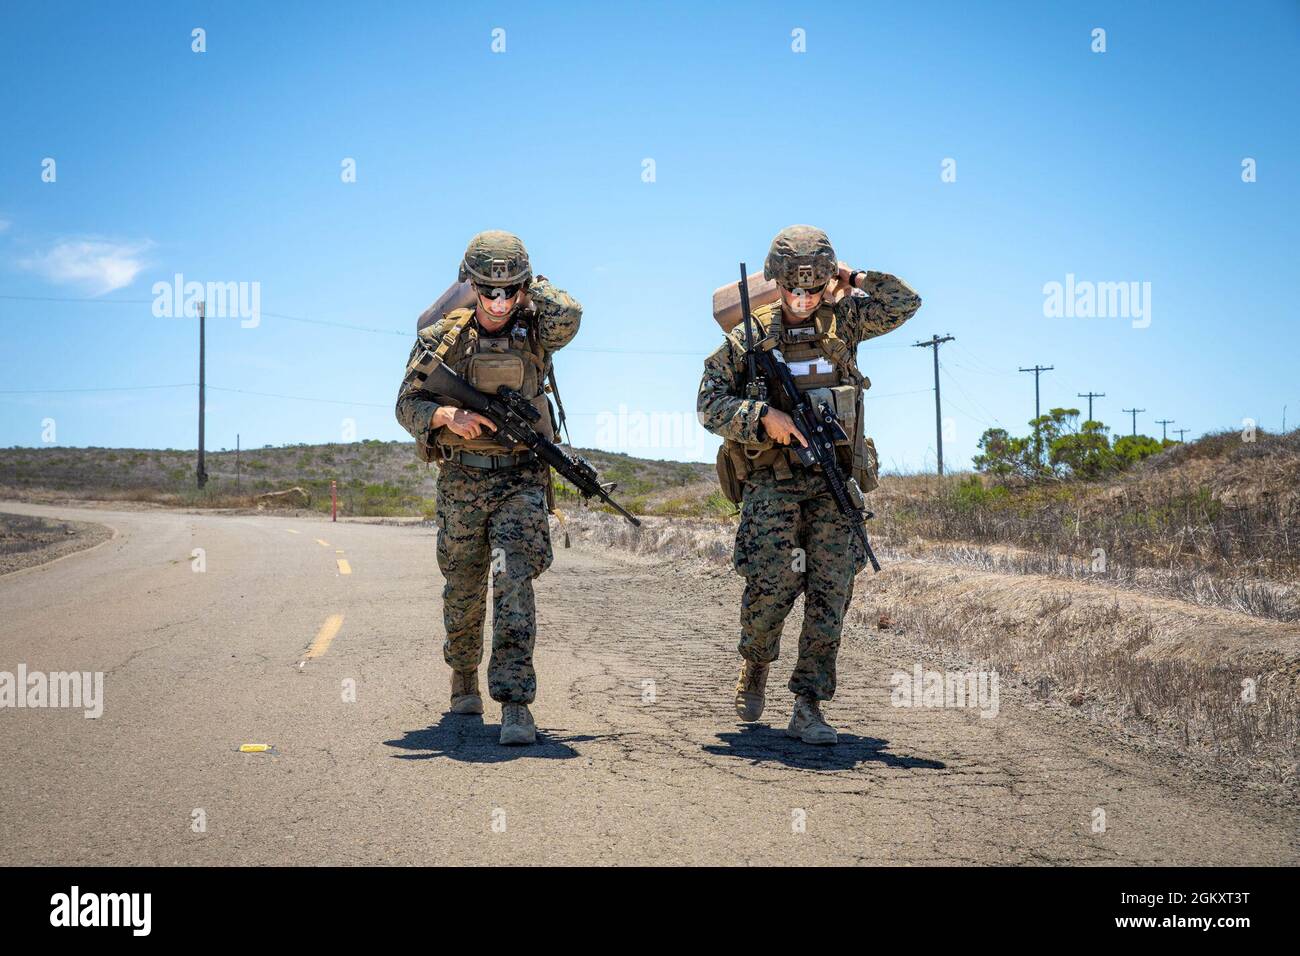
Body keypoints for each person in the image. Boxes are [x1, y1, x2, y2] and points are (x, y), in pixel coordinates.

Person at [697, 225, 921, 744]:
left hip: (833, 481)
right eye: (792, 288)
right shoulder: (747, 337)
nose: (801, 299)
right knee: (771, 587)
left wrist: (853, 277)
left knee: (830, 591)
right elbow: (708, 405)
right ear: (775, 283)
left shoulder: (845, 321)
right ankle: (755, 662)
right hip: (772, 484)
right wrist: (762, 417)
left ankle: (809, 704)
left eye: (813, 288)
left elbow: (905, 302)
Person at [396, 231, 581, 745]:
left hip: (520, 478)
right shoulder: (443, 337)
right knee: (463, 587)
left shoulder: (537, 330)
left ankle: (516, 702)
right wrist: (444, 415)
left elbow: (571, 315)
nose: (498, 303)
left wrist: (531, 285)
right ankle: (462, 674)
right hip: (462, 480)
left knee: (514, 581)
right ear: (471, 288)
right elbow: (404, 404)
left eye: (508, 291)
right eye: (488, 291)